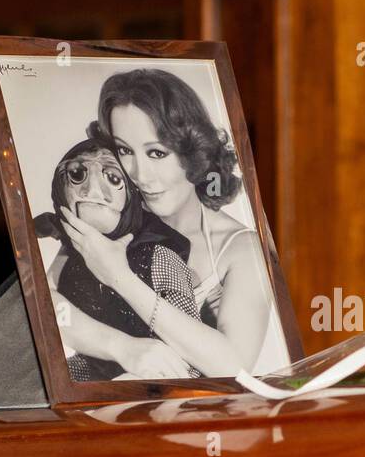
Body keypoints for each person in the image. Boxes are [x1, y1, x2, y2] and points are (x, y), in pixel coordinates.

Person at [58, 68, 273, 377]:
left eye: (157, 152)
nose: (141, 175)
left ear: (194, 151)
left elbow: (233, 366)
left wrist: (120, 278)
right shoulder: (112, 219)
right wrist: (122, 348)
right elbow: (45, 303)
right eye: (125, 151)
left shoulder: (243, 248)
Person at [36, 134, 200, 381]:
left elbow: (191, 353)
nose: (93, 190)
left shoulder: (157, 256)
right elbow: (44, 304)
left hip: (159, 378)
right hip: (93, 375)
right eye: (78, 174)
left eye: (113, 178)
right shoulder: (68, 256)